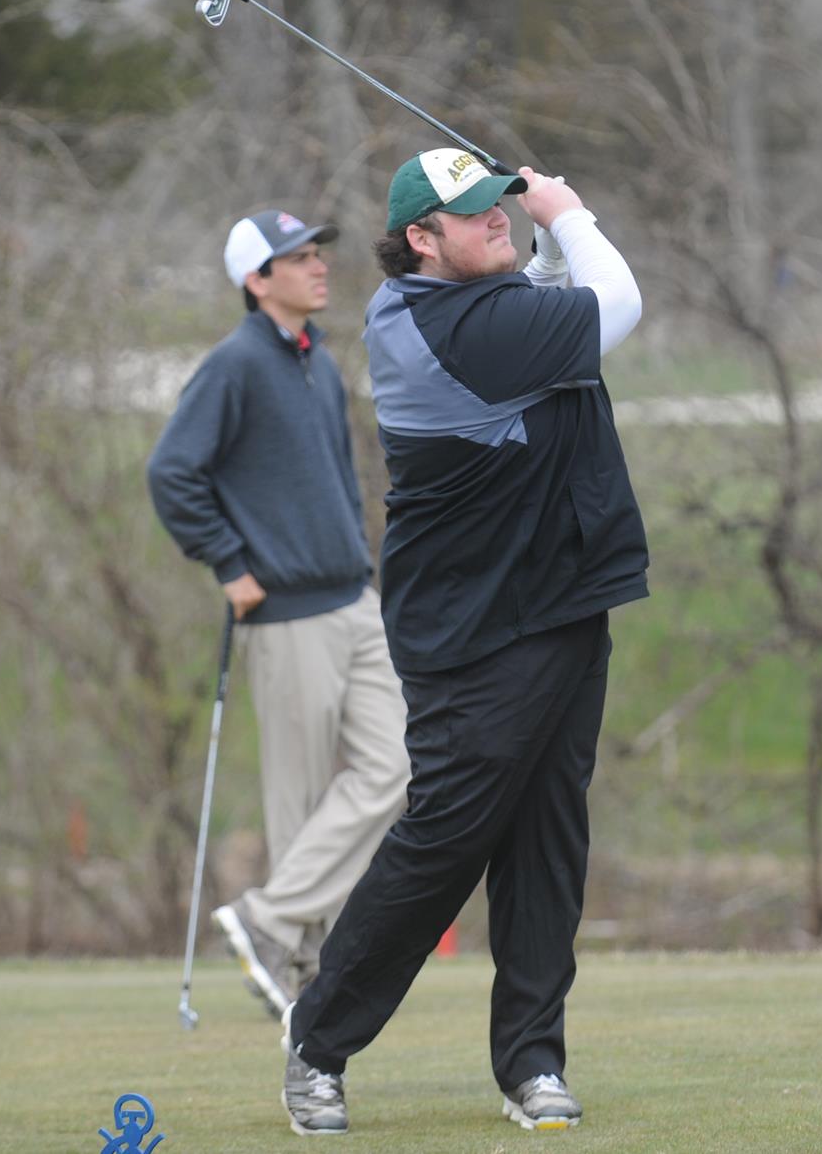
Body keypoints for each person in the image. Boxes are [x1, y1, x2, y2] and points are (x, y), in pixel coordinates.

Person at [278, 149, 648, 1136]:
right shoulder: (453, 329)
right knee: (446, 840)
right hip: (474, 629)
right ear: (421, 240)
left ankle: (532, 1063)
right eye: (472, 213)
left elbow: (547, 305)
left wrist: (544, 243)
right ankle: (316, 1041)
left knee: (548, 839)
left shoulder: (475, 306)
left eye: (500, 205)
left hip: (559, 603)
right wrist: (567, 214)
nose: (497, 219)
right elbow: (614, 303)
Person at [146, 208, 411, 1022]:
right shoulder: (236, 365)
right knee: (296, 810)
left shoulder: (318, 365)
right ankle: (303, 986)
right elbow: (172, 472)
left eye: (317, 254)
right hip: (287, 615)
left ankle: (267, 922)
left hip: (353, 600)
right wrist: (229, 564)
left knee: (402, 764)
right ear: (257, 280)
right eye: (298, 259)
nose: (318, 267)